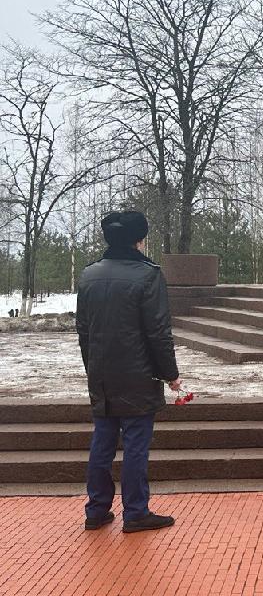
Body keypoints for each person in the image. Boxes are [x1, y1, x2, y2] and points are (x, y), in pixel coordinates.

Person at [76, 211, 181, 533]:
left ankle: (96, 509)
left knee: (102, 441)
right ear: (139, 239)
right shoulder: (148, 275)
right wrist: (170, 374)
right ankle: (135, 512)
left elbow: (83, 330)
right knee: (135, 445)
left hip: (102, 373)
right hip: (138, 374)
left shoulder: (89, 275)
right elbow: (158, 332)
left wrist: (92, 366)